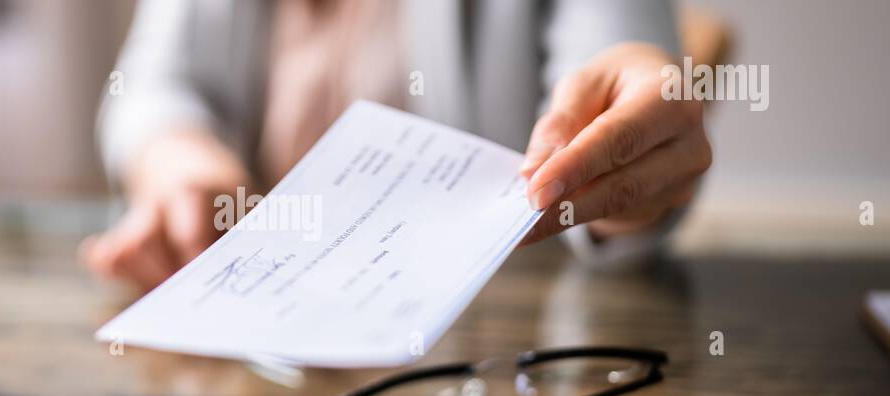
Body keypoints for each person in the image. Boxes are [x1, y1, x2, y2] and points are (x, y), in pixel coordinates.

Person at [82, 0, 712, 291]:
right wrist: (178, 156)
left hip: (493, 361)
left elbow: (619, 66)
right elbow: (151, 84)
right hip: (258, 368)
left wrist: (625, 172)